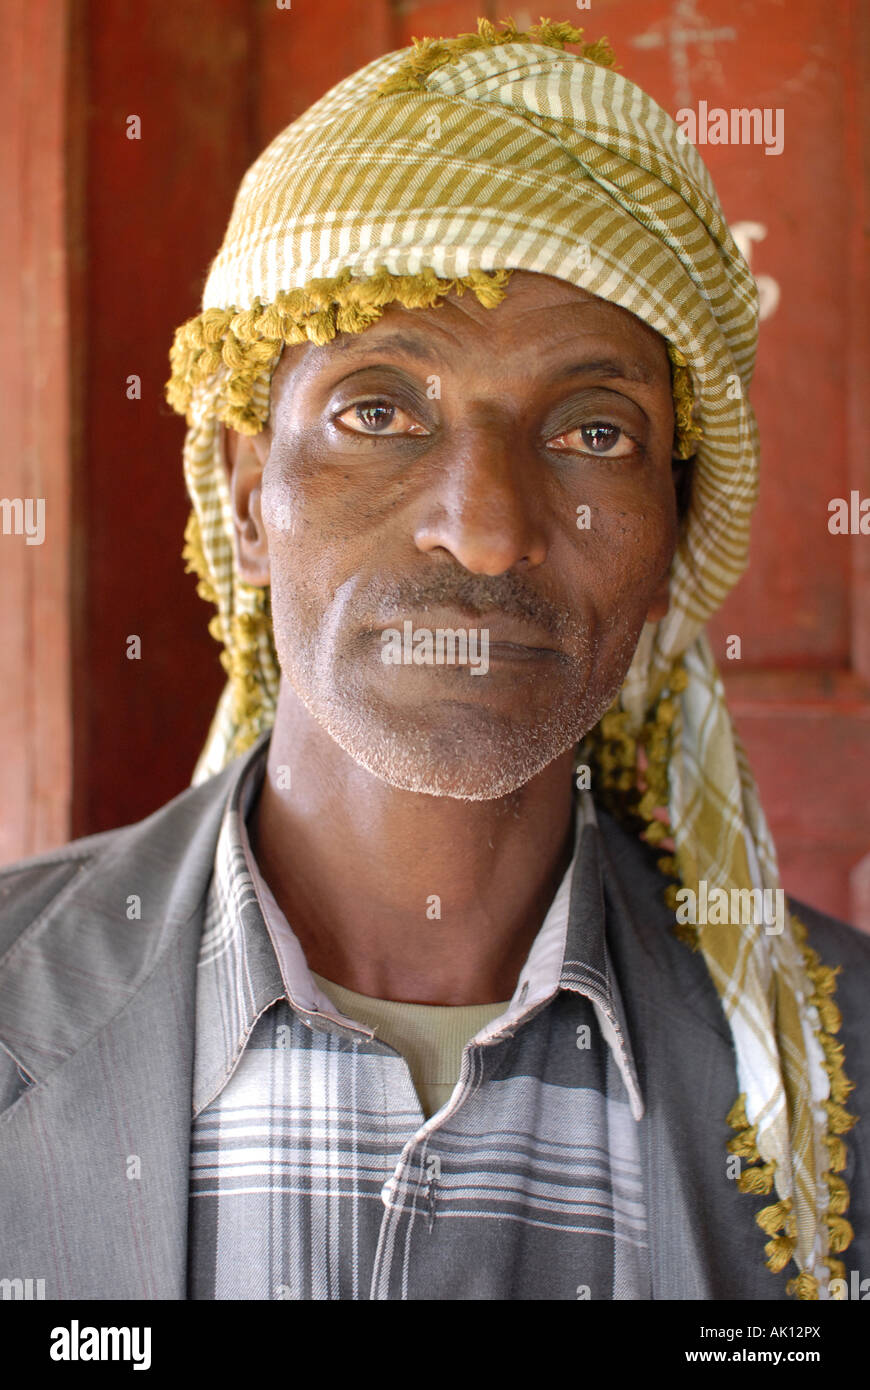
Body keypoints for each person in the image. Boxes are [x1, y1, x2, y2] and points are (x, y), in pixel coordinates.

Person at [0, 18, 867, 1302]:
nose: (489, 524)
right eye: (377, 410)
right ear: (244, 501)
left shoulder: (834, 1079)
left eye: (593, 429)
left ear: (675, 533)